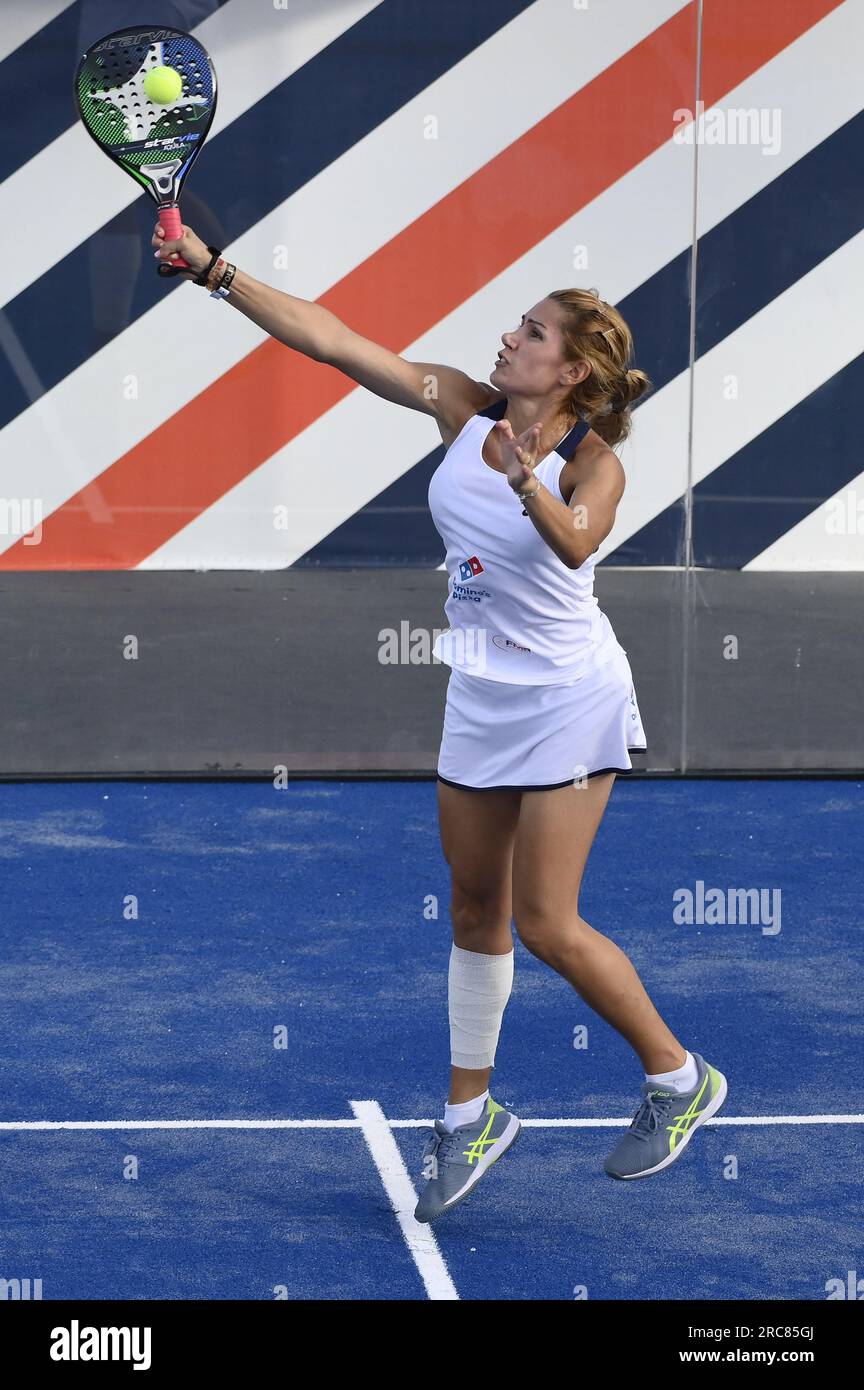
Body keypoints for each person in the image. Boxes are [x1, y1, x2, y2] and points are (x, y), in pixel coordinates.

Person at [152, 222, 728, 1225]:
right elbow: (333, 341)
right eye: (518, 324)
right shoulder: (459, 404)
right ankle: (471, 1115)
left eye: (533, 331)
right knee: (472, 906)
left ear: (573, 368)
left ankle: (679, 1080)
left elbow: (577, 547)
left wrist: (520, 477)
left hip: (568, 696)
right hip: (481, 689)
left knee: (547, 920)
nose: (509, 337)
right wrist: (214, 270)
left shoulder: (595, 466)